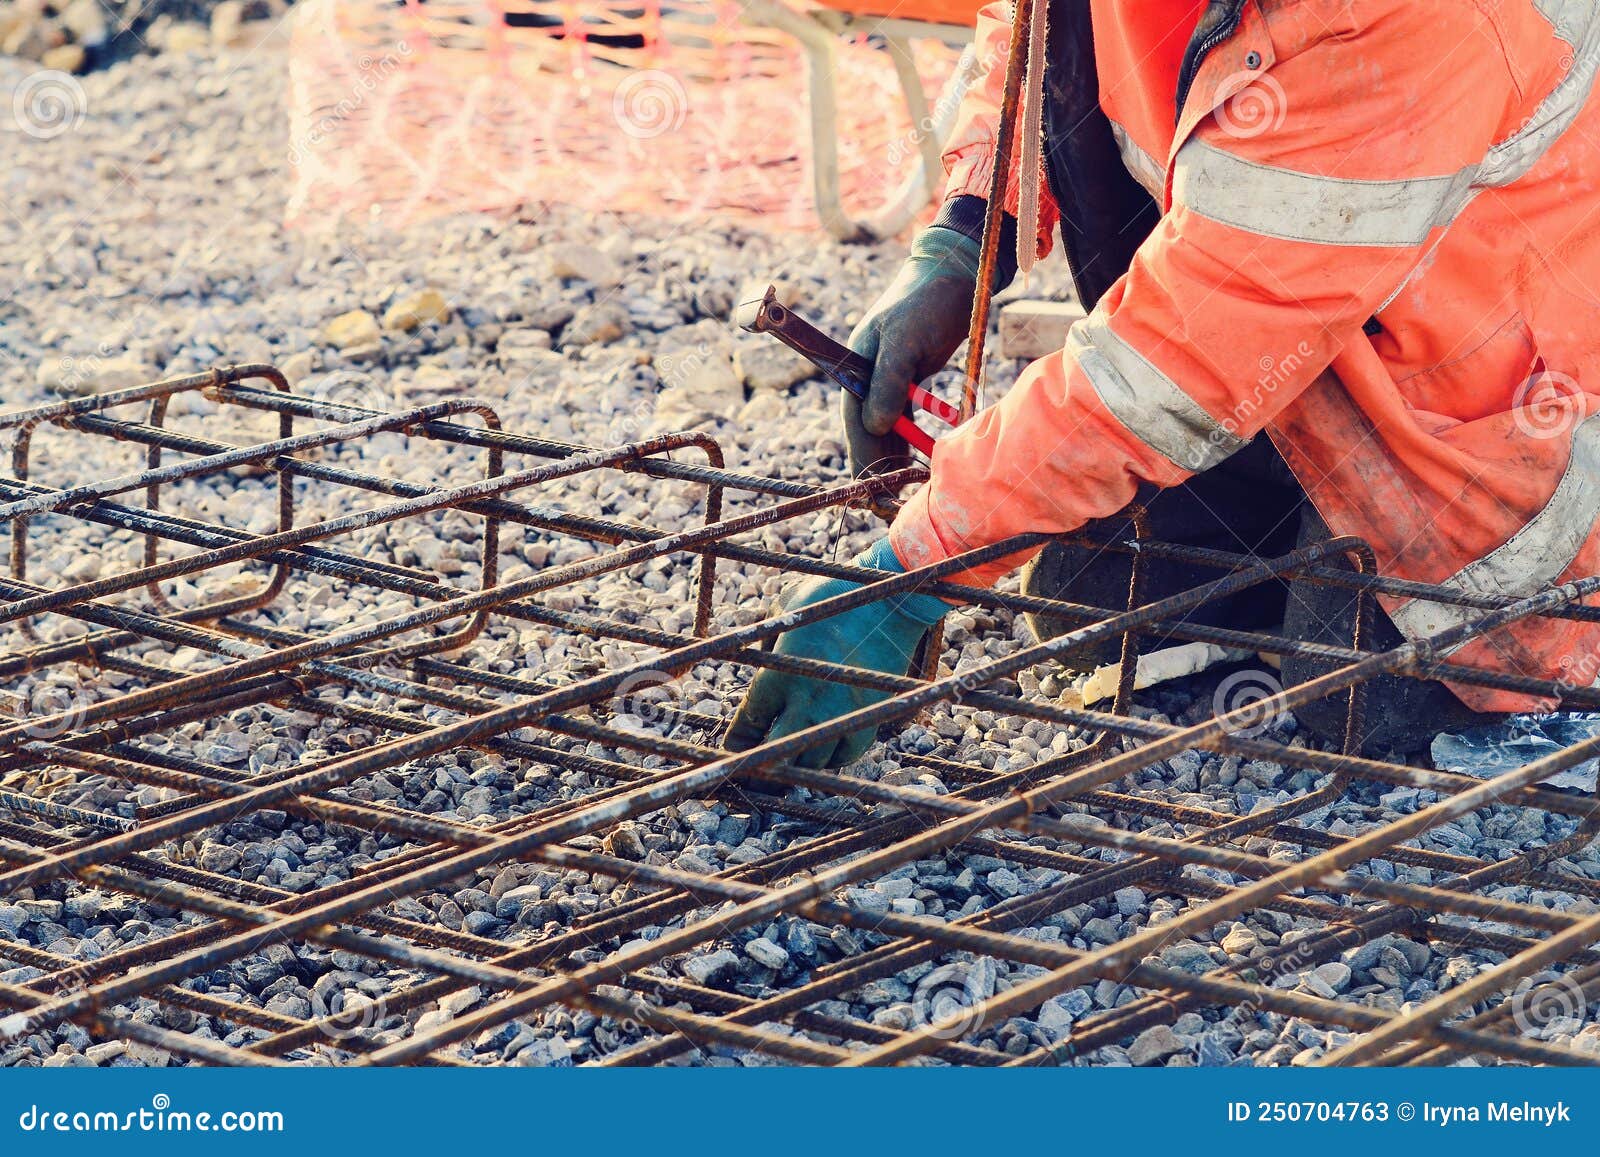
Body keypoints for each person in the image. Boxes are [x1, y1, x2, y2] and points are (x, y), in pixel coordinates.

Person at [726, 0, 1600, 765]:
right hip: (1304, 354)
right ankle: (1292, 546)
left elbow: (1193, 343)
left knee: (1372, 708)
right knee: (1089, 600)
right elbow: (1044, 33)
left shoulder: (1403, 21)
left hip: (1488, 406)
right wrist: (966, 232)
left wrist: (914, 566)